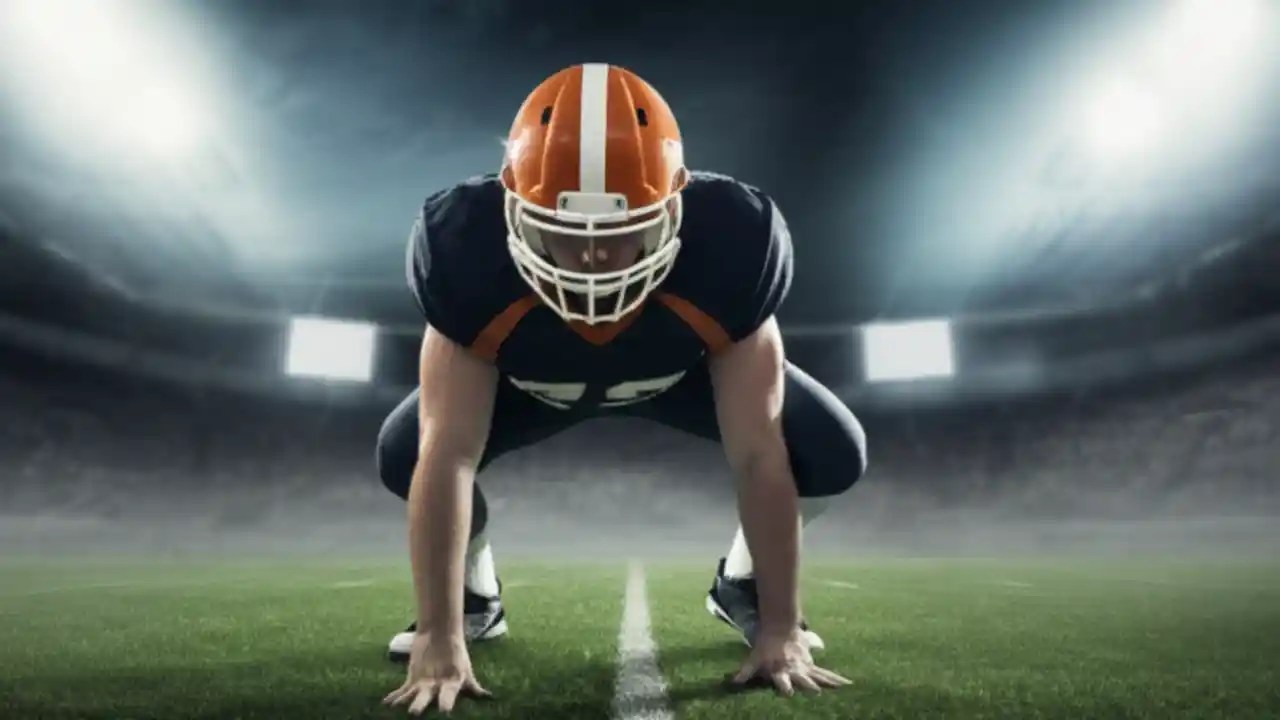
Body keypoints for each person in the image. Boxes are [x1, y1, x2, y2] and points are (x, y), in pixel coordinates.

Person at [377, 62, 868, 715]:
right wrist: (436, 637)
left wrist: (782, 627)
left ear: (680, 198)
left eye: (621, 233)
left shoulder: (732, 248)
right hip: (525, 386)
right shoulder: (466, 256)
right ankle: (472, 599)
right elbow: (449, 455)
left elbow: (758, 452)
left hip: (683, 376)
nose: (591, 261)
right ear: (507, 197)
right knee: (407, 453)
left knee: (829, 450)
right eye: (560, 231)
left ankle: (743, 588)